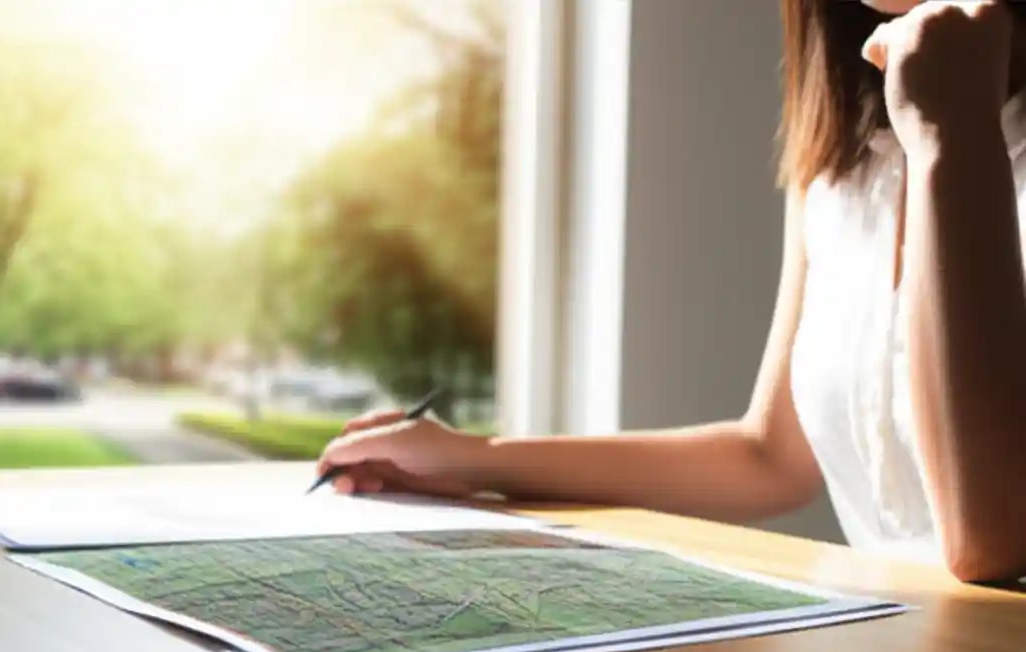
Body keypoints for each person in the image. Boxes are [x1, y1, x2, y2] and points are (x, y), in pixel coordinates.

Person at [318, 0, 1026, 583]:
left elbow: (990, 543)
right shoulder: (846, 160)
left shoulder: (945, 129)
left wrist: (951, 138)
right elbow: (769, 458)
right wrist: (475, 460)